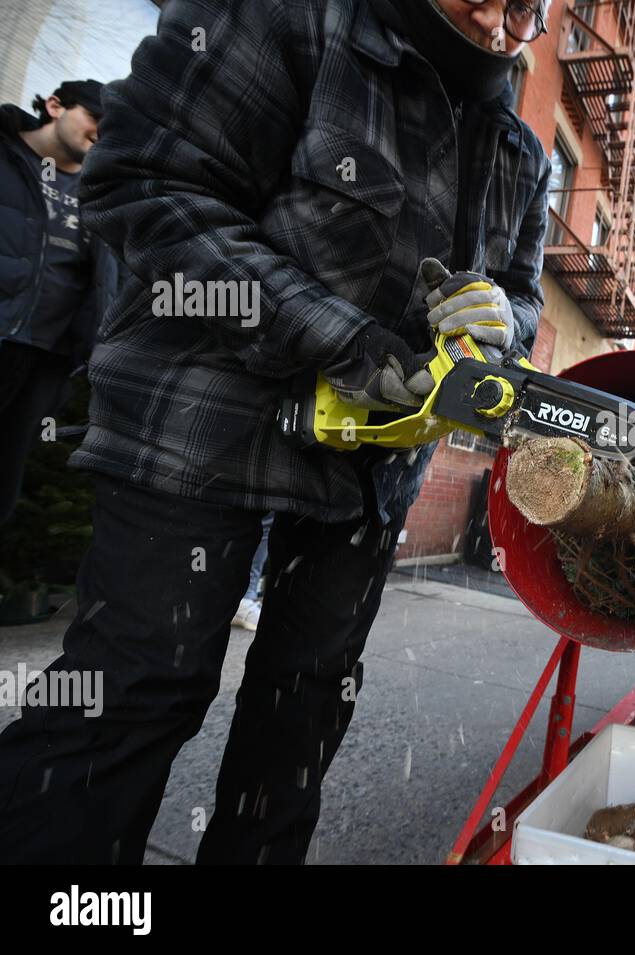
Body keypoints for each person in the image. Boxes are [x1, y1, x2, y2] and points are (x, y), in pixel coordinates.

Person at [0, 0, 552, 864]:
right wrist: (341, 339)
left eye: (526, 10)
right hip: (202, 417)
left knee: (302, 715)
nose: (496, 22)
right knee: (131, 692)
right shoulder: (287, 20)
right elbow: (146, 185)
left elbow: (524, 290)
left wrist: (507, 321)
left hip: (373, 466)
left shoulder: (521, 150)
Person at [0, 80, 119, 523]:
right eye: (95, 119)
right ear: (55, 105)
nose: (100, 134)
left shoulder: (99, 191)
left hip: (44, 361)